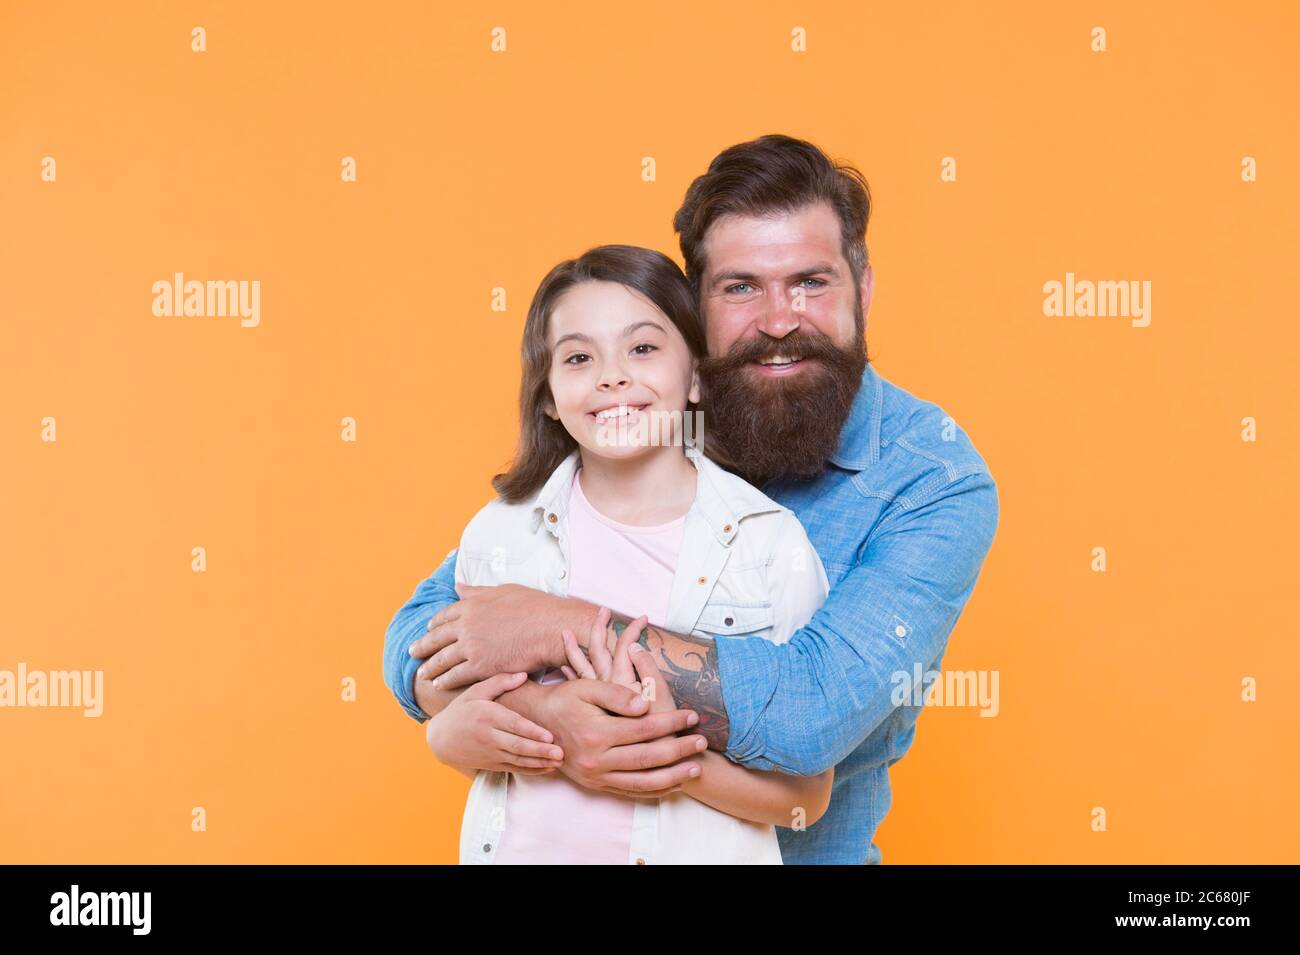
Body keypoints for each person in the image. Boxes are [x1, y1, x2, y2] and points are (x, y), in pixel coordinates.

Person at [386, 134, 999, 864]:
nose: (778, 319)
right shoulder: (649, 421)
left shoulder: (933, 480)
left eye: (811, 281)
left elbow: (807, 714)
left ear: (862, 288)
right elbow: (424, 632)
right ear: (693, 308)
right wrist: (544, 721)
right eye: (741, 286)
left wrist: (563, 629)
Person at [427, 244, 832, 864]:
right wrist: (449, 736)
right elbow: (446, 695)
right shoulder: (499, 536)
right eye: (580, 357)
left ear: (695, 375)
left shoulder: (769, 544)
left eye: (642, 348)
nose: (612, 375)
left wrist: (655, 756)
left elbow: (804, 796)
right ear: (547, 396)